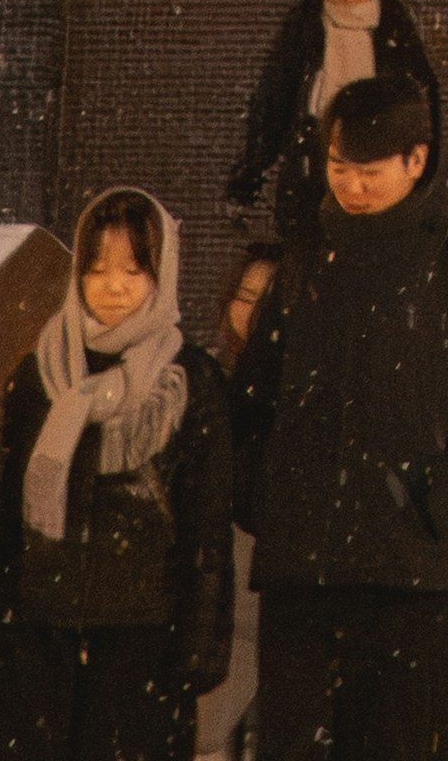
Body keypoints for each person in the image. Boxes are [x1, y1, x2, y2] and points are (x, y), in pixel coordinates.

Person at [227, 77, 448, 761]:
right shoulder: (307, 257)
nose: (352, 187)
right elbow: (249, 405)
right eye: (339, 169)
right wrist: (266, 496)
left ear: (417, 161)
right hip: (300, 581)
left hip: (412, 587)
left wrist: (431, 501)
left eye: (369, 173)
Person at [0, 191, 234, 761]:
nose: (114, 286)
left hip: (143, 642)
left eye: (134, 270)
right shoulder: (39, 374)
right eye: (97, 268)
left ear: (161, 276)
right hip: (36, 637)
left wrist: (199, 641)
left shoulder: (189, 380)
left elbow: (206, 519)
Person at [228, 0, 434, 255]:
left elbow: (422, 99)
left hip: (378, 150)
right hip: (313, 151)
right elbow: (275, 98)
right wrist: (254, 166)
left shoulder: (394, 26)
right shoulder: (306, 26)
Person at [194, 257, 281, 761]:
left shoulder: (305, 395)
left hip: (267, 583)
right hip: (218, 577)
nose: (252, 311)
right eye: (245, 296)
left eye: (268, 299)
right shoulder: (205, 381)